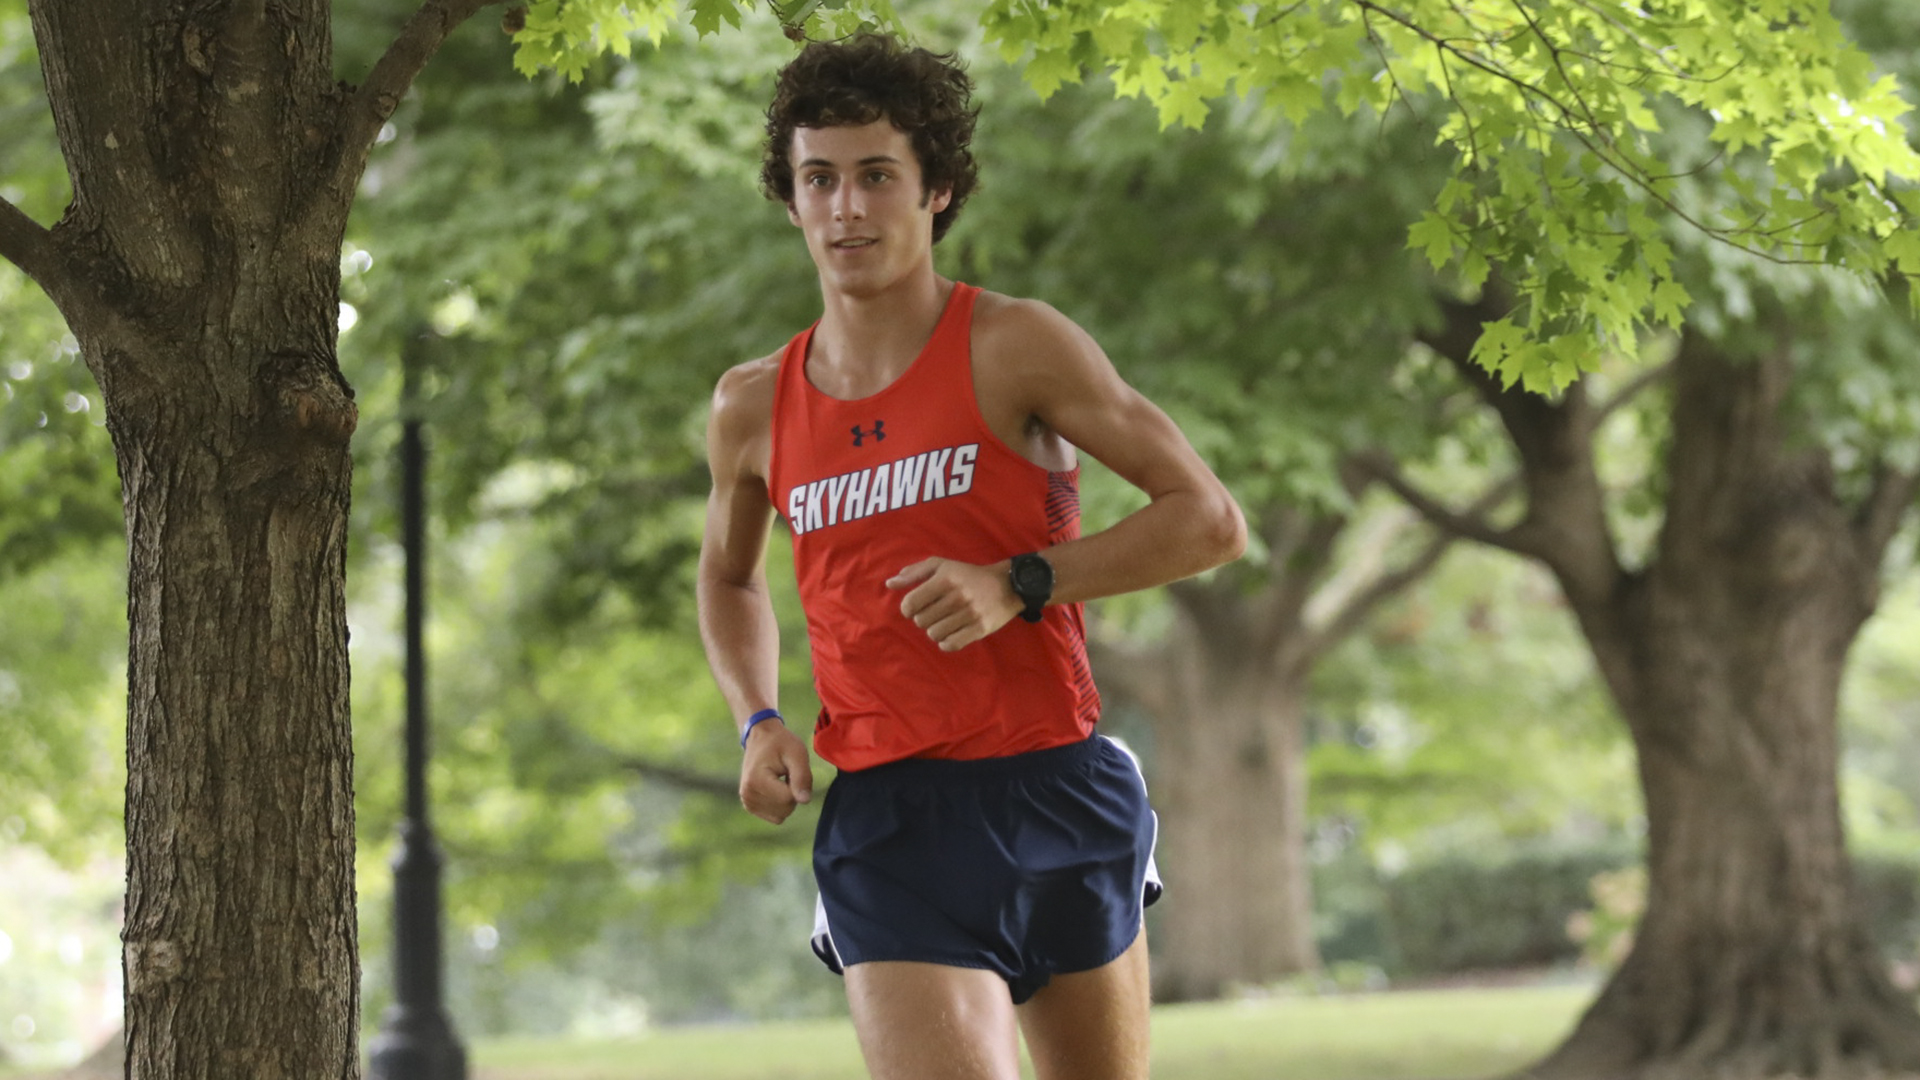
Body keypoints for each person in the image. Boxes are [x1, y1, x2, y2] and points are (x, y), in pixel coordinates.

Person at [696, 32, 1246, 1080]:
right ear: (791, 197)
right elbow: (727, 579)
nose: (847, 208)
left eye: (876, 176)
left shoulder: (1015, 345)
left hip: (1057, 788)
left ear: (936, 190)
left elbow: (1208, 518)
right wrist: (757, 717)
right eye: (820, 179)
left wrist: (1023, 582)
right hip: (890, 821)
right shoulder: (753, 403)